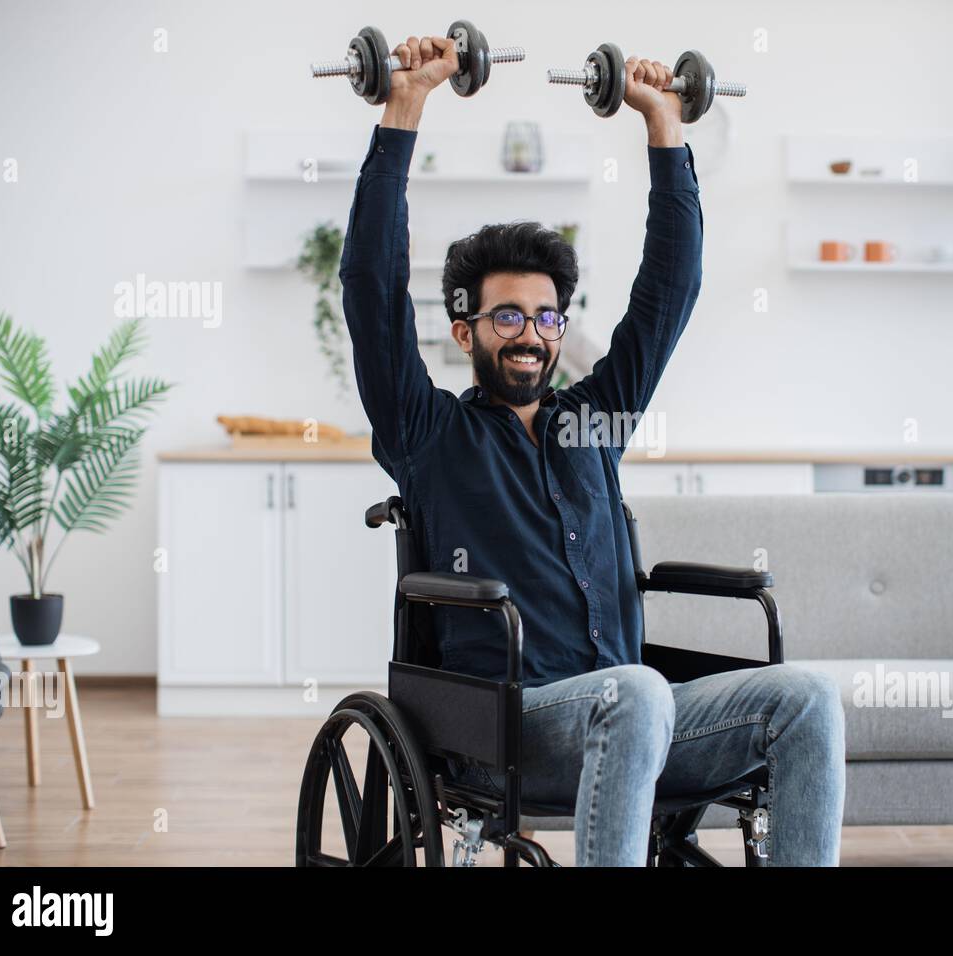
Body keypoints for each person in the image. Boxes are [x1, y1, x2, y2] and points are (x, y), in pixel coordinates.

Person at [341, 34, 845, 866]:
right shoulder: (428, 433)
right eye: (507, 317)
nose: (530, 336)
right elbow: (369, 287)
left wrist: (664, 125)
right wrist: (405, 107)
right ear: (465, 330)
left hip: (633, 714)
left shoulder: (593, 421)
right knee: (639, 690)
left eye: (545, 318)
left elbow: (668, 293)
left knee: (808, 698)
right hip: (508, 725)